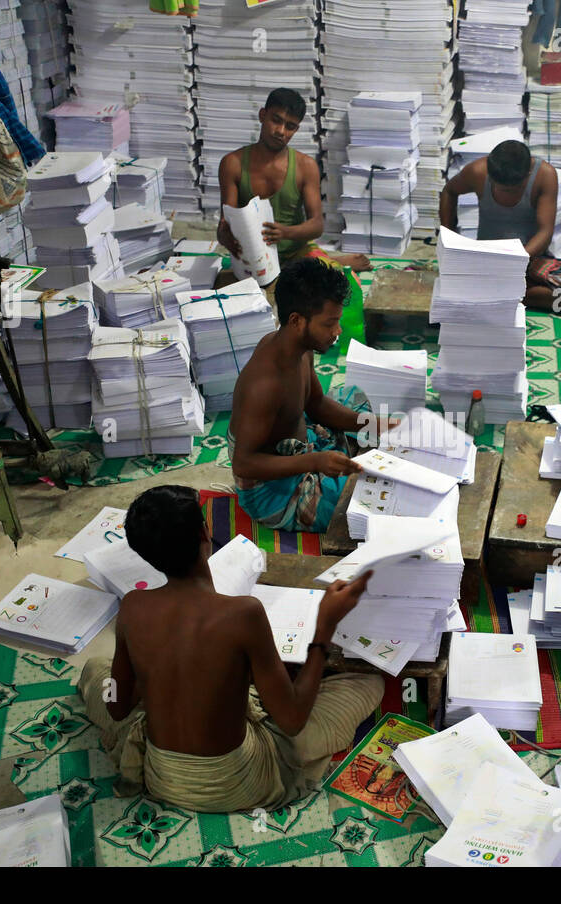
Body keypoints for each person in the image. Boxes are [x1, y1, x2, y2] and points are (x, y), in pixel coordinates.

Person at [77, 485, 385, 813]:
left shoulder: (133, 608)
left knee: (96, 668)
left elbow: (118, 707)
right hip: (239, 782)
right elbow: (292, 720)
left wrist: (154, 671)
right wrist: (325, 626)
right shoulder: (243, 614)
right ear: (204, 535)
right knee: (369, 683)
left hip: (162, 774)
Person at [229, 258, 376, 532]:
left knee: (354, 399)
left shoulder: (301, 347)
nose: (337, 332)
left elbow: (316, 403)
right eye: (330, 324)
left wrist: (376, 423)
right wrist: (315, 462)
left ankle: (340, 452)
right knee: (362, 503)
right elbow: (243, 463)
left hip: (301, 444)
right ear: (297, 321)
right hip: (273, 490)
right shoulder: (264, 384)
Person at [217, 87, 369, 273]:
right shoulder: (232, 164)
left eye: (290, 126)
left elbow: (316, 225)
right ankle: (330, 261)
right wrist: (226, 237)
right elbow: (225, 224)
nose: (281, 131)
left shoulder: (305, 166)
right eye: (276, 120)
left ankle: (328, 262)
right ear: (262, 115)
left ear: (296, 129)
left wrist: (285, 233)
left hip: (297, 252)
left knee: (334, 288)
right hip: (253, 255)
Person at [439, 139, 561, 313]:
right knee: (449, 286)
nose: (504, 192)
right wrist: (448, 239)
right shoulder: (477, 171)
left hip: (529, 257)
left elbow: (545, 232)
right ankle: (503, 291)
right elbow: (449, 191)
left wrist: (518, 259)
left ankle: (499, 293)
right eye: (498, 187)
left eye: (510, 190)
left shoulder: (544, 175)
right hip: (488, 257)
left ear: (528, 172)